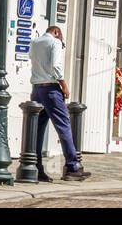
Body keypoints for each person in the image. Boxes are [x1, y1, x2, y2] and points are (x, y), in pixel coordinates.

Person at [29, 25, 89, 182]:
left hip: (36, 90)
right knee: (63, 126)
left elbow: (33, 62)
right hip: (51, 90)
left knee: (37, 131)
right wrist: (64, 85)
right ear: (56, 32)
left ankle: (36, 168)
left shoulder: (34, 42)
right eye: (61, 38)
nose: (61, 42)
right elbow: (56, 65)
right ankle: (72, 167)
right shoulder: (54, 42)